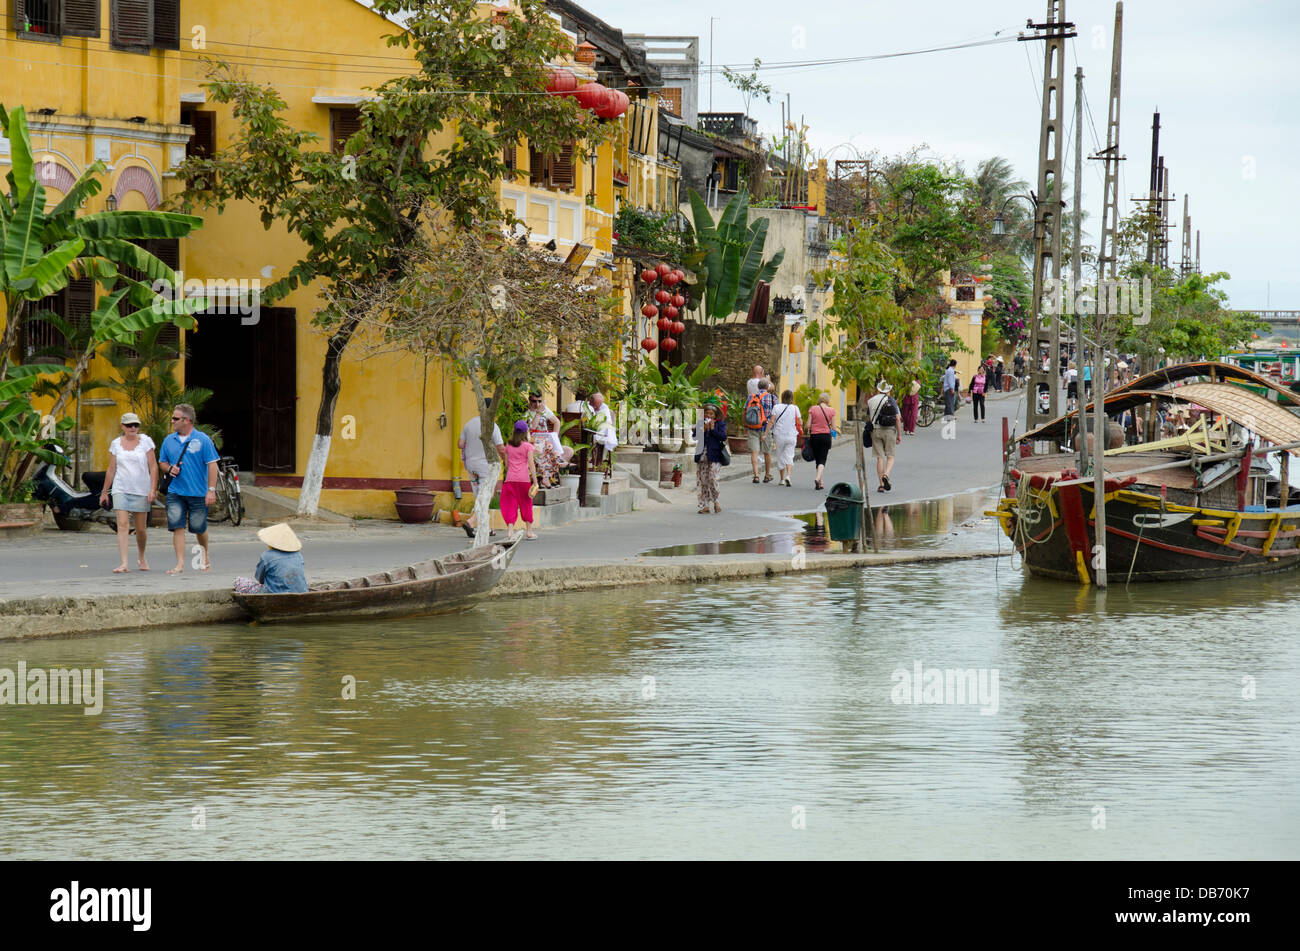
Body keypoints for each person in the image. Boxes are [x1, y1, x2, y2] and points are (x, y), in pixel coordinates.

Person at [158, 403, 219, 575]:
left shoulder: (203, 440)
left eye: (175, 418)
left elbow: (212, 465)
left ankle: (205, 553)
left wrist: (211, 490)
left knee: (199, 527)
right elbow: (162, 462)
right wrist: (169, 468)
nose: (172, 421)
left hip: (198, 492)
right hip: (175, 492)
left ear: (187, 420)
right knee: (177, 527)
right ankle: (179, 564)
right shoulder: (169, 440)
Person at [99, 411, 157, 573]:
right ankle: (124, 562)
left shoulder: (146, 442)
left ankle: (142, 556)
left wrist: (152, 488)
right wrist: (105, 491)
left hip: (141, 489)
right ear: (122, 426)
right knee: (123, 525)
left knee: (141, 529)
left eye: (135, 425)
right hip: (121, 488)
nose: (133, 428)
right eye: (129, 425)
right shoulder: (116, 444)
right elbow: (111, 469)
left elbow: (153, 466)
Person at [458, 399, 503, 539]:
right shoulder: (492, 426)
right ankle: (471, 522)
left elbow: (460, 444)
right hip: (485, 466)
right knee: (486, 495)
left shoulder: (469, 423)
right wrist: (506, 459)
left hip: (471, 465)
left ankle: (485, 527)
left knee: (480, 495)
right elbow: (500, 447)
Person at [232, 523, 309, 595]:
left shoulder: (267, 556)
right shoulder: (298, 555)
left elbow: (260, 579)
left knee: (238, 581)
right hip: (302, 591)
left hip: (273, 594)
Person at [499, 421, 539, 540]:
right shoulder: (528, 446)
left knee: (509, 504)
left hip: (510, 479)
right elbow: (531, 465)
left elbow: (506, 464)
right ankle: (529, 532)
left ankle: (510, 531)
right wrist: (535, 482)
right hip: (524, 480)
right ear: (525, 432)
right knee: (526, 504)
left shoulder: (508, 446)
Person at [526, 391, 572, 488]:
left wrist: (555, 437)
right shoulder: (527, 412)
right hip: (534, 442)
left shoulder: (544, 409)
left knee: (569, 451)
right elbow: (532, 429)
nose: (537, 404)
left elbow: (557, 422)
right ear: (529, 400)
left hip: (547, 442)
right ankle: (547, 478)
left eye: (539, 401)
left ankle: (548, 476)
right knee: (546, 452)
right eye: (534, 401)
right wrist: (538, 413)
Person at [866, 381, 902, 492]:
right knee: (890, 456)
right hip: (889, 431)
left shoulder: (871, 401)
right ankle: (886, 475)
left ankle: (881, 485)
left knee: (879, 457)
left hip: (875, 430)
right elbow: (897, 418)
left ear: (878, 389)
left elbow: (868, 417)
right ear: (889, 390)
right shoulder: (890, 400)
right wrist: (899, 434)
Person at [694, 402, 727, 514]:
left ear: (715, 415)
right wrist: (702, 430)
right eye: (707, 413)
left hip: (715, 456)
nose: (708, 416)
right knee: (703, 480)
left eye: (711, 414)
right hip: (702, 455)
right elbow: (694, 436)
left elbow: (723, 436)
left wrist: (712, 429)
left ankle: (716, 501)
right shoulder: (700, 424)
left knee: (713, 479)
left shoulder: (720, 424)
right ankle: (705, 505)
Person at [744, 380, 776, 483]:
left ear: (758, 386)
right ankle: (767, 475)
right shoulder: (772, 398)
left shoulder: (751, 397)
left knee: (754, 452)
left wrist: (745, 425)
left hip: (752, 427)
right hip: (766, 428)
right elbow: (775, 415)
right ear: (768, 387)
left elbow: (745, 411)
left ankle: (756, 476)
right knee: (767, 453)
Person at [768, 389, 803, 486]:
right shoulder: (795, 408)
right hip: (791, 435)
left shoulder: (776, 407)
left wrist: (765, 433)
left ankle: (782, 479)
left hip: (779, 435)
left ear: (782, 397)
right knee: (789, 455)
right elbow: (800, 422)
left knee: (780, 456)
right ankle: (788, 475)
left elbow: (771, 421)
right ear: (792, 398)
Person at [806, 392, 836, 490]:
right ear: (827, 401)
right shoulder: (832, 411)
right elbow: (834, 427)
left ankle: (820, 483)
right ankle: (818, 478)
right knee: (822, 459)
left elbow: (808, 425)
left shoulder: (813, 409)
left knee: (818, 459)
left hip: (814, 436)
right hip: (825, 437)